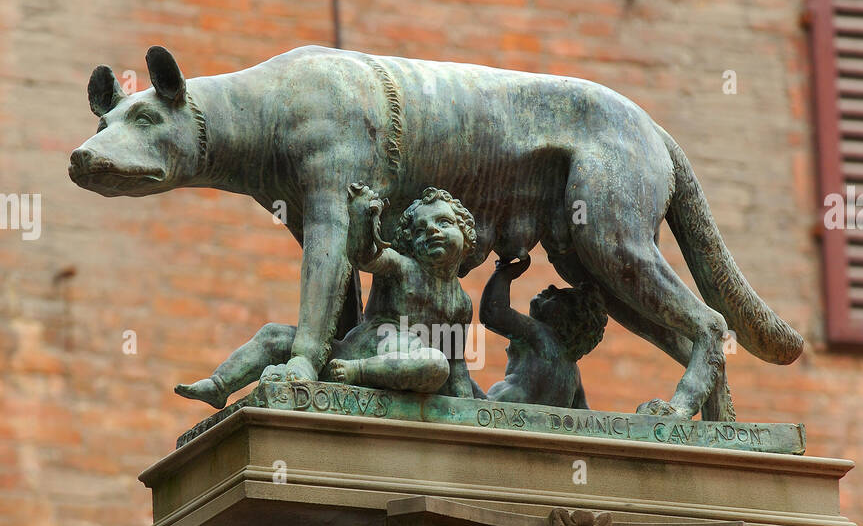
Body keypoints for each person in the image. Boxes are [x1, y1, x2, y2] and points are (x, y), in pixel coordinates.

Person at [175, 183, 477, 408]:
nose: (432, 232)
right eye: (421, 230)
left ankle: (354, 374)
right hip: (355, 350)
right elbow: (364, 257)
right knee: (273, 336)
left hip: (395, 362)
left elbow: (456, 359)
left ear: (465, 236)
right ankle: (219, 385)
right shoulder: (402, 267)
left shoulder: (461, 304)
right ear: (411, 243)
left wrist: (469, 409)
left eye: (444, 223)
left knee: (439, 365)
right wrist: (360, 218)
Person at [477, 254, 606, 408]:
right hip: (535, 425)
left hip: (504, 408)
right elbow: (584, 416)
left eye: (560, 297)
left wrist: (504, 273)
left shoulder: (539, 333)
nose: (551, 288)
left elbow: (493, 313)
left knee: (450, 361)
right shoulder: (573, 372)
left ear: (570, 321)